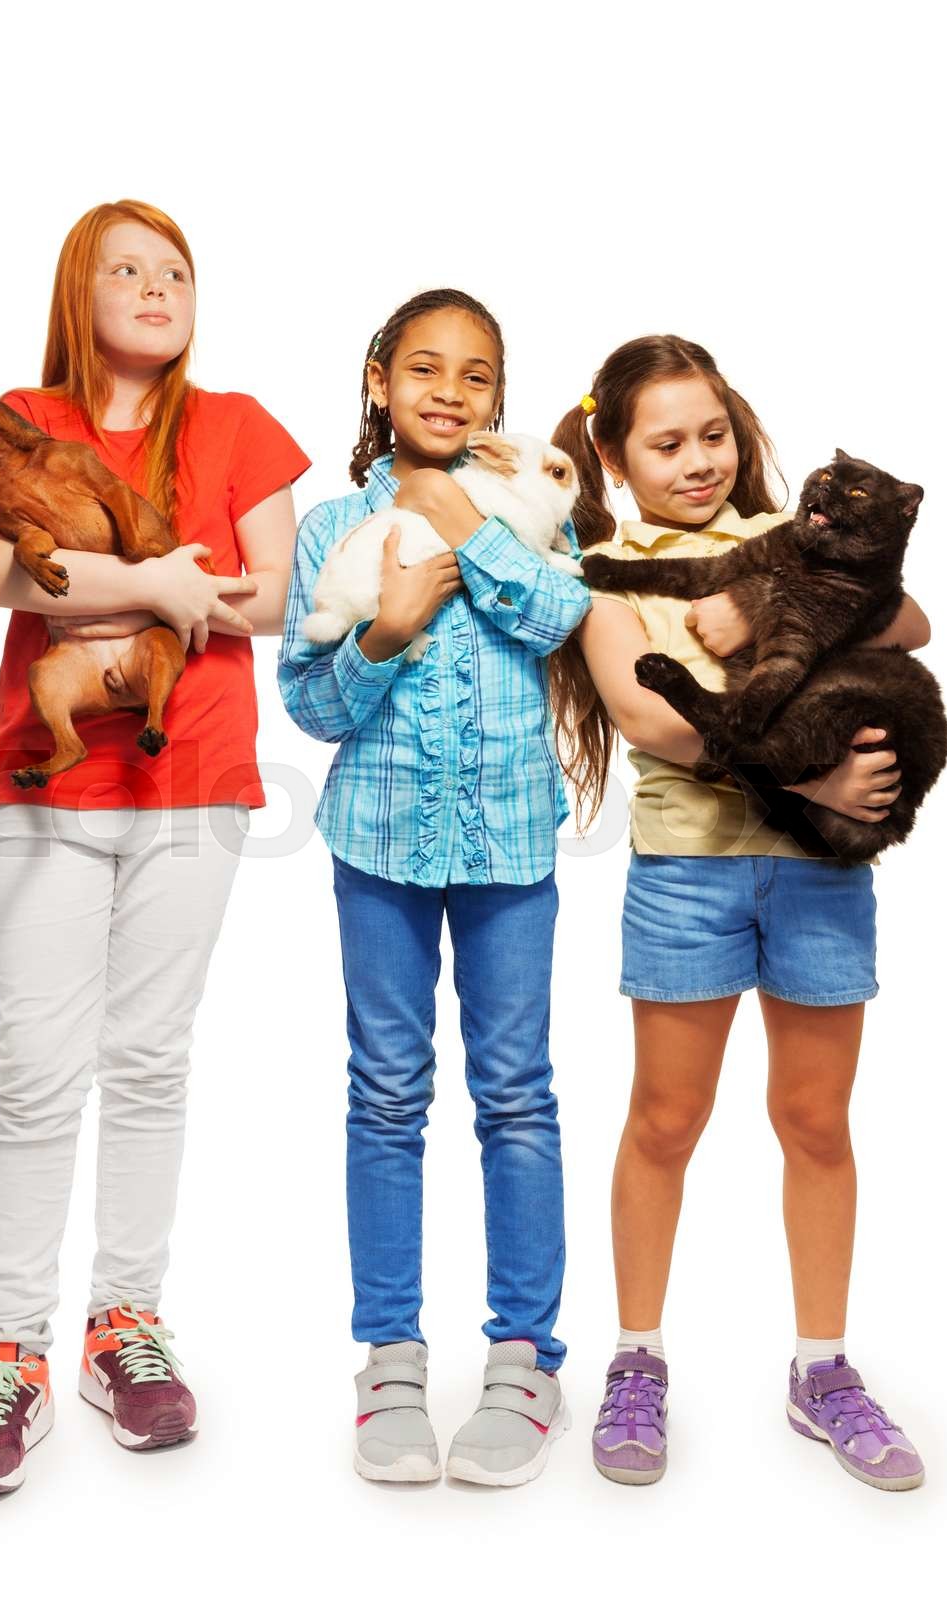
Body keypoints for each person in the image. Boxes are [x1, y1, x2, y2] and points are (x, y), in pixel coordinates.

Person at [0, 199, 310, 1497]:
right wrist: (156, 585)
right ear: (75, 296)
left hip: (189, 778)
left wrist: (151, 594)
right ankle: (5, 1347)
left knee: (148, 1059)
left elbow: (276, 594)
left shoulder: (238, 426)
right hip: (43, 787)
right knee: (35, 1066)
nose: (157, 286)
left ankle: (125, 1324)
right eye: (126, 270)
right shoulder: (23, 420)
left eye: (176, 270)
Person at [552, 334, 930, 1492]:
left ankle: (823, 1368)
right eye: (666, 444)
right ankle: (637, 1358)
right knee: (665, 1120)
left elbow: (909, 621)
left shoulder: (784, 547)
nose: (698, 460)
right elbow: (654, 722)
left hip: (821, 875)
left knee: (817, 1122)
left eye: (713, 433)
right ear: (615, 456)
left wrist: (770, 616)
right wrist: (811, 777)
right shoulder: (609, 575)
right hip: (688, 875)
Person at [278, 289, 589, 1486]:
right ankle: (392, 1362)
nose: (450, 391)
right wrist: (383, 632)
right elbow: (307, 704)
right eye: (424, 368)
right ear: (378, 381)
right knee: (386, 1094)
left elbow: (561, 615)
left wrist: (465, 522)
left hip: (512, 847)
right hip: (379, 847)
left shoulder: (526, 506)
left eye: (475, 375)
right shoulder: (330, 525)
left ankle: (522, 1356)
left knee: (517, 1094)